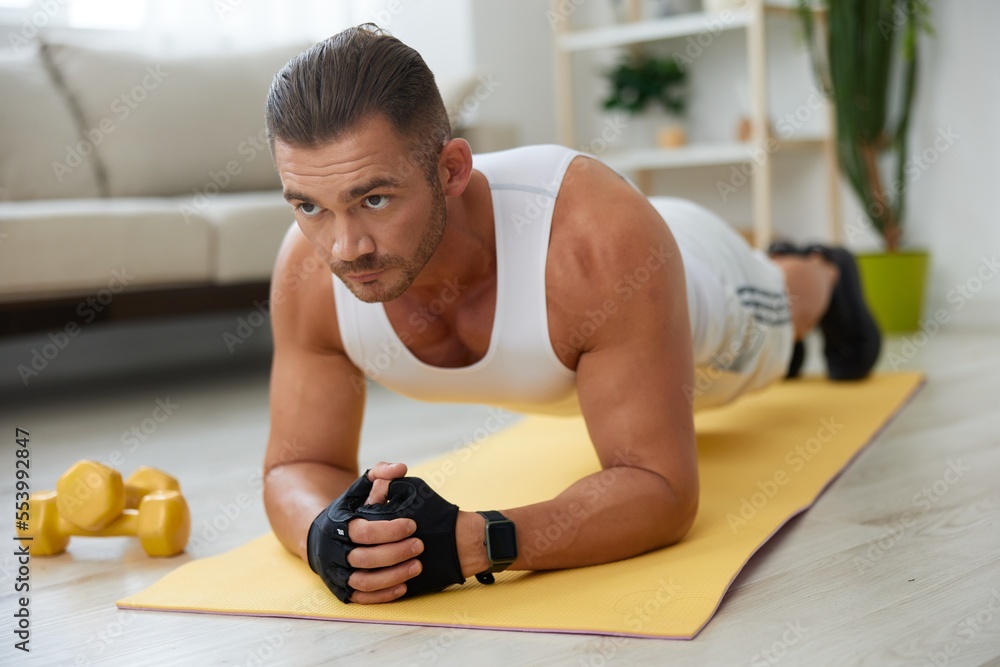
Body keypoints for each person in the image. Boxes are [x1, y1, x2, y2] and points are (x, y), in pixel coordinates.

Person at [260, 24, 880, 605]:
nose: (345, 249)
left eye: (374, 198)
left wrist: (469, 542)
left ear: (451, 170)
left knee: (774, 312)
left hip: (687, 277)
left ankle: (822, 271)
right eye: (309, 207)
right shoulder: (308, 272)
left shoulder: (596, 244)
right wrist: (324, 535)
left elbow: (659, 489)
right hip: (606, 286)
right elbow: (296, 464)